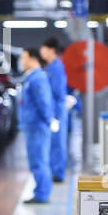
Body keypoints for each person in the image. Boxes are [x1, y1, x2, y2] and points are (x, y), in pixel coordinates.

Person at [19, 46, 54, 204]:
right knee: (37, 160)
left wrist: (48, 121)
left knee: (39, 160)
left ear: (33, 59)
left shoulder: (37, 78)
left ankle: (41, 194)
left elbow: (44, 103)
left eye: (23, 58)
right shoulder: (32, 77)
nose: (22, 61)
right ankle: (40, 191)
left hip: (38, 126)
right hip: (33, 125)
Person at [40, 37, 69, 182]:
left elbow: (58, 93)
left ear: (51, 50)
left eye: (43, 48)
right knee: (52, 144)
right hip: (52, 111)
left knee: (57, 144)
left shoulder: (56, 67)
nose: (41, 51)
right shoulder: (50, 67)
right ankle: (54, 171)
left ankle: (58, 173)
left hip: (57, 111)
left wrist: (56, 114)